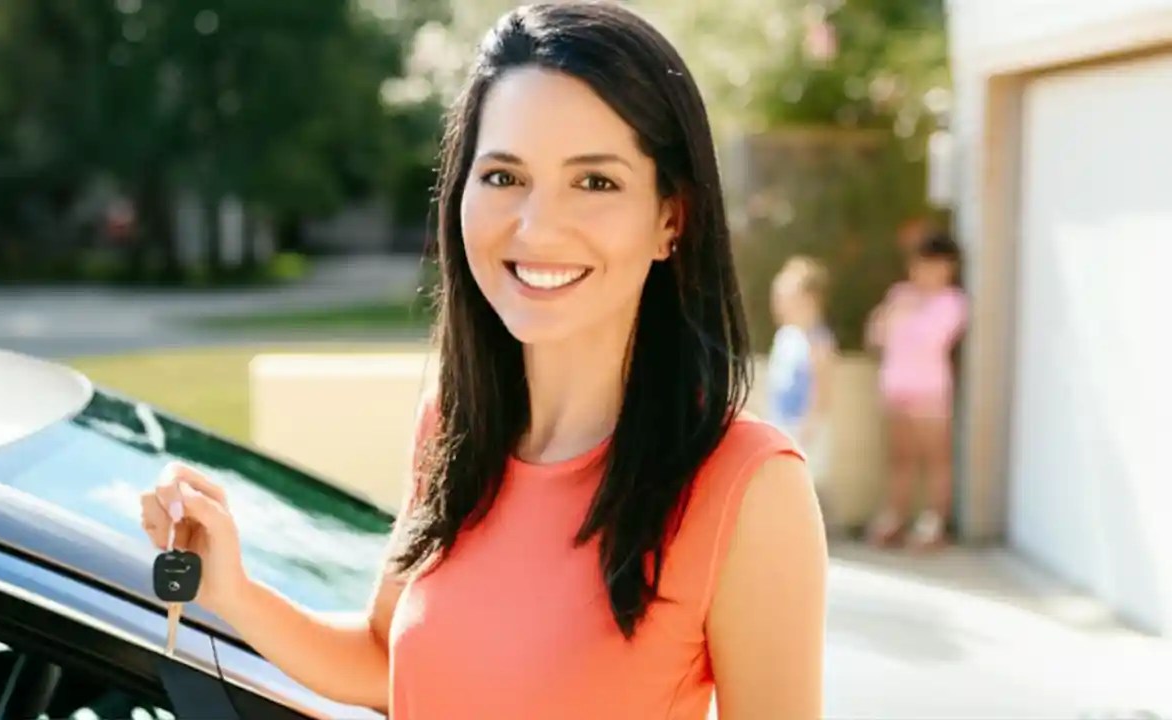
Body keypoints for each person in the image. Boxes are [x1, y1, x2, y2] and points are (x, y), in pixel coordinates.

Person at [139, 3, 828, 719]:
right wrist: (234, 593)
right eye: (504, 176)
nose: (536, 226)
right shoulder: (453, 424)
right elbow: (389, 662)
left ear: (670, 218)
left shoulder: (747, 487)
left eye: (595, 182)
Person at [863, 231, 968, 550]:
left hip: (930, 392)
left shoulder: (952, 302)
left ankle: (934, 521)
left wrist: (910, 313)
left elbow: (932, 338)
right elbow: (877, 334)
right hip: (896, 388)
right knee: (900, 458)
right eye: (923, 265)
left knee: (935, 458)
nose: (928, 273)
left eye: (937, 266)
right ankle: (895, 516)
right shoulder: (900, 295)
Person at [766, 256, 838, 523]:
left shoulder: (818, 339)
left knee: (809, 476)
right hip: (783, 420)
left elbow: (823, 383)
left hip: (805, 422)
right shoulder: (785, 336)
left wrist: (812, 419)